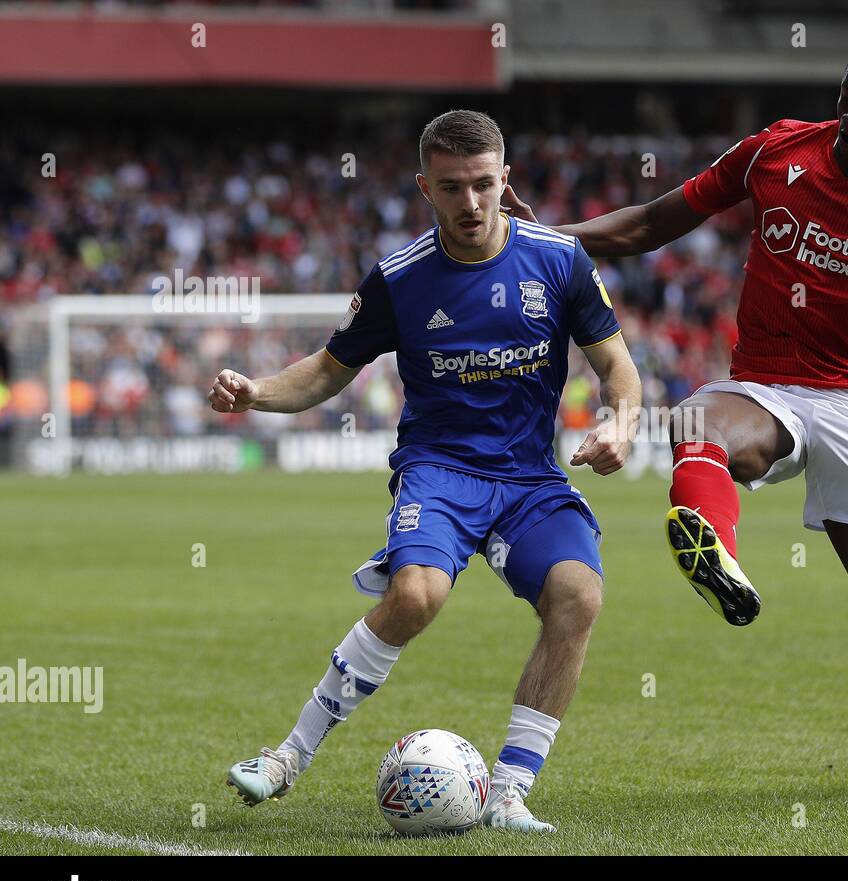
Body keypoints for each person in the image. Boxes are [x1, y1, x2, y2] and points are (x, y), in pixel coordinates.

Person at [506, 23, 848, 791]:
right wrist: (534, 238)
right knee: (695, 419)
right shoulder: (778, 150)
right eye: (846, 98)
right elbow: (654, 221)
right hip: (764, 387)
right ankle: (716, 552)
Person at [211, 110, 641, 832]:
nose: (471, 204)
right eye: (451, 188)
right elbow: (324, 372)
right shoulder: (400, 279)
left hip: (529, 478)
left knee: (579, 596)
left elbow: (618, 367)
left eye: (483, 185)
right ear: (424, 189)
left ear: (506, 180)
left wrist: (621, 422)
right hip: (440, 471)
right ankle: (285, 758)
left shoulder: (560, 259)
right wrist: (257, 392)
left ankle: (506, 794)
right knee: (414, 596)